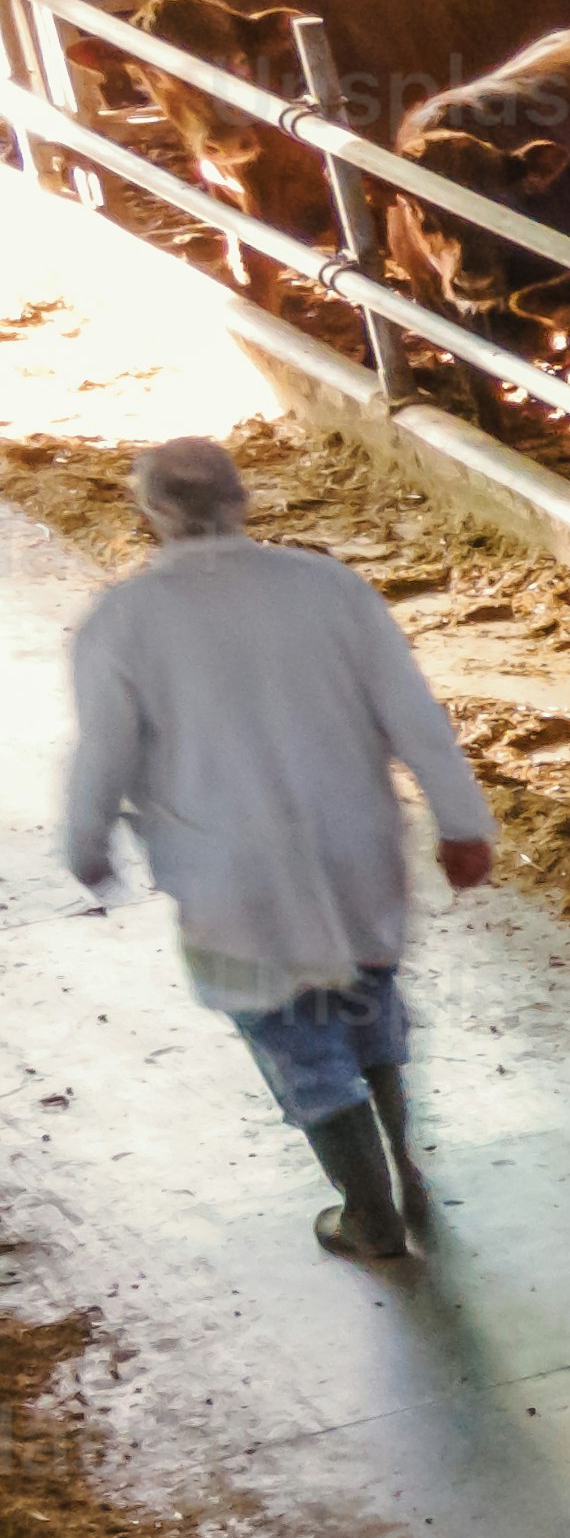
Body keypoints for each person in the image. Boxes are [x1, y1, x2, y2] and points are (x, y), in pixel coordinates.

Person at [53, 434, 491, 1265]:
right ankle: (403, 1168)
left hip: (229, 871)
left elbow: (101, 751)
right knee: (367, 1005)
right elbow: (414, 716)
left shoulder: (122, 620)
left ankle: (369, 1213)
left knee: (294, 1032)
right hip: (354, 846)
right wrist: (464, 824)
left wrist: (88, 842)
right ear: (242, 499)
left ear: (147, 513)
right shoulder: (328, 588)